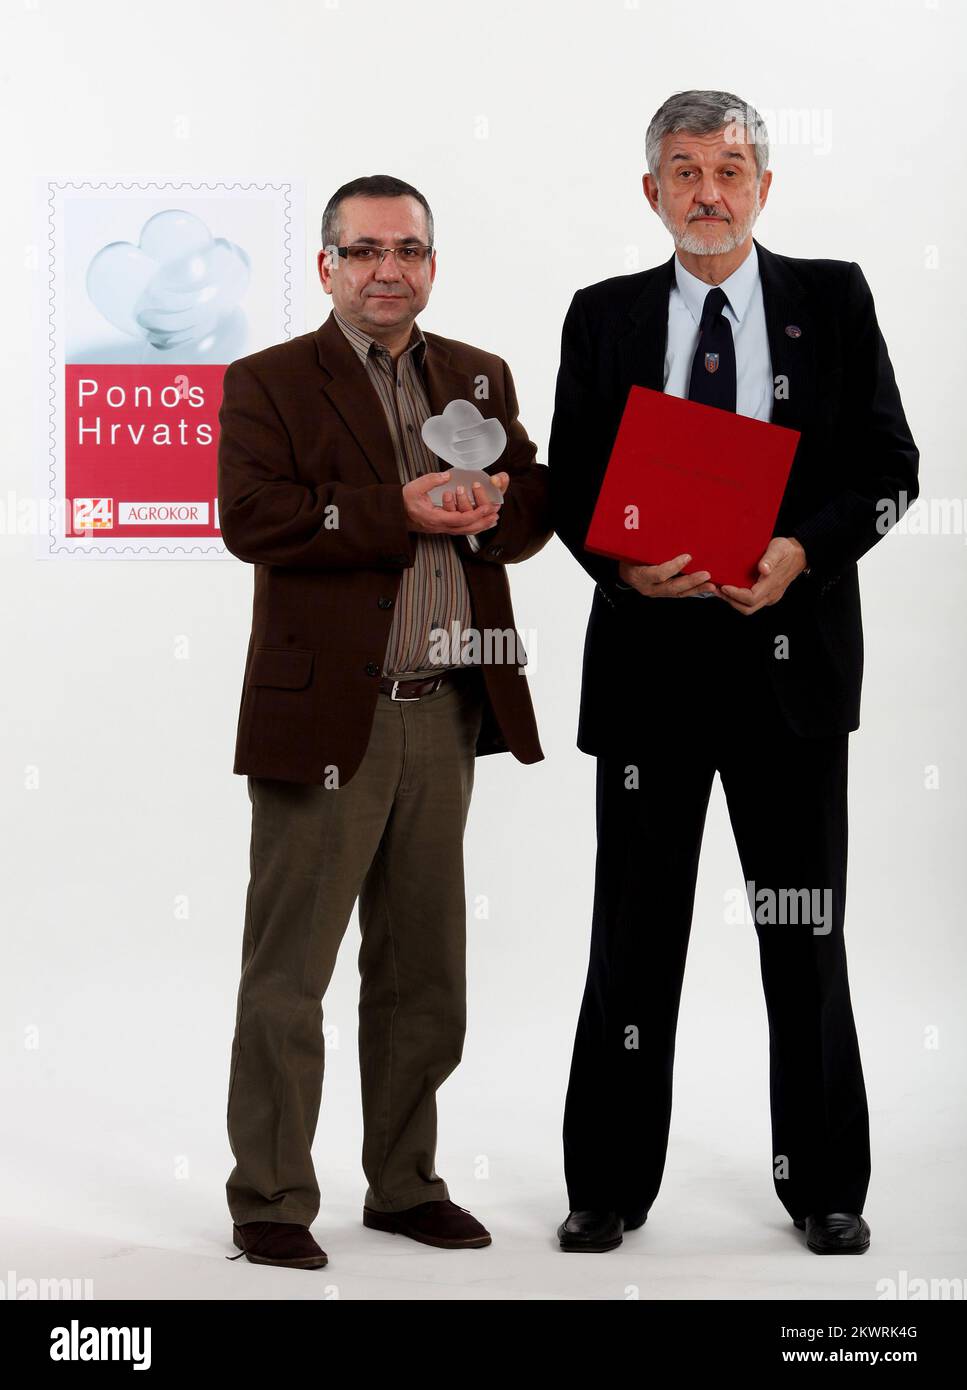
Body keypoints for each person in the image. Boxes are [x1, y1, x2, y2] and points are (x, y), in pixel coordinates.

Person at [549, 91, 919, 1255]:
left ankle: (823, 1184)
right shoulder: (602, 314)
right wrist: (623, 568)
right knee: (632, 936)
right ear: (648, 192)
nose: (709, 190)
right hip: (650, 672)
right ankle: (606, 1184)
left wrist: (803, 551)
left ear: (764, 185)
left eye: (731, 167)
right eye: (683, 170)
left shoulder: (833, 297)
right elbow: (569, 483)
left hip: (789, 672)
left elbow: (890, 465)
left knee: (801, 931)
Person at [218, 174, 550, 1270]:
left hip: (445, 711)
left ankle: (404, 1184)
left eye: (406, 249)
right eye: (362, 250)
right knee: (290, 976)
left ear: (431, 264)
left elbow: (531, 495)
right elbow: (252, 516)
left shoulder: (476, 373)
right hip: (326, 718)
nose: (386, 269)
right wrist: (388, 511)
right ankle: (269, 1195)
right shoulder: (269, 380)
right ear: (326, 266)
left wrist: (505, 509)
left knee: (422, 975)